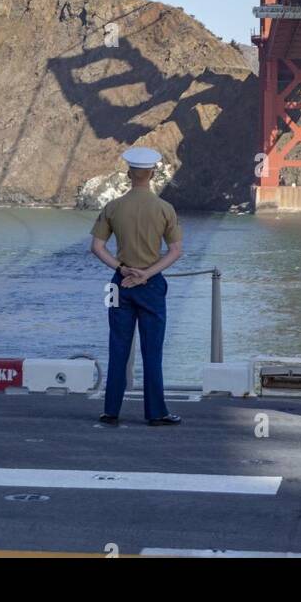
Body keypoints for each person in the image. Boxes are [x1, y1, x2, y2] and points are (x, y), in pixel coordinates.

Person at [90, 146, 184, 427]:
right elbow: (175, 251)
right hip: (151, 284)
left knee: (118, 347)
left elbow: (97, 247)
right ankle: (156, 412)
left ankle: (111, 410)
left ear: (129, 173)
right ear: (153, 173)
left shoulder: (113, 207)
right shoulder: (165, 209)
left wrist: (122, 269)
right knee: (152, 350)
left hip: (120, 283)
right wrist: (146, 274)